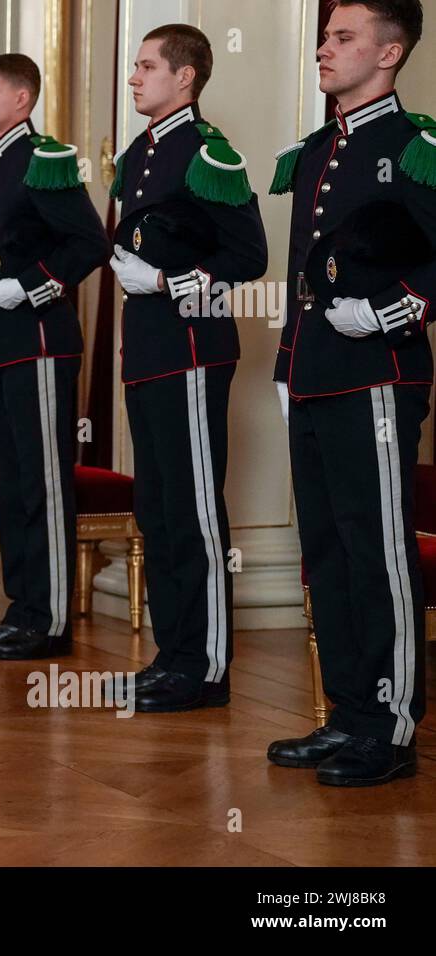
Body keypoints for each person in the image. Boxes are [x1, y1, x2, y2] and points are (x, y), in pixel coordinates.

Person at [267, 0, 433, 786]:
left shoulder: (415, 147)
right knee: (326, 548)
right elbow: (306, 274)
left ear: (391, 52)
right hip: (314, 371)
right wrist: (285, 367)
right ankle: (348, 715)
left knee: (377, 547)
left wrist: (394, 308)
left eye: (343, 38)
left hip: (377, 371)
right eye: (325, 36)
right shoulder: (318, 149)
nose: (323, 50)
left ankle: (391, 726)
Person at [108, 24, 268, 710]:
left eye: (147, 67)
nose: (135, 77)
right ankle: (172, 656)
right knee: (159, 508)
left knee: (195, 510)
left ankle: (204, 669)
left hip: (193, 350)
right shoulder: (139, 154)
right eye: (136, 66)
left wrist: (172, 282)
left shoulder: (208, 153)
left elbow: (250, 257)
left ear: (186, 78)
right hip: (145, 353)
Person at [0, 54, 110, 659]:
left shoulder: (44, 161)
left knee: (44, 484)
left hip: (39, 340)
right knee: (13, 480)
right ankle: (22, 609)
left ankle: (48, 620)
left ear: (22, 99)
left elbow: (91, 242)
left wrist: (36, 285)